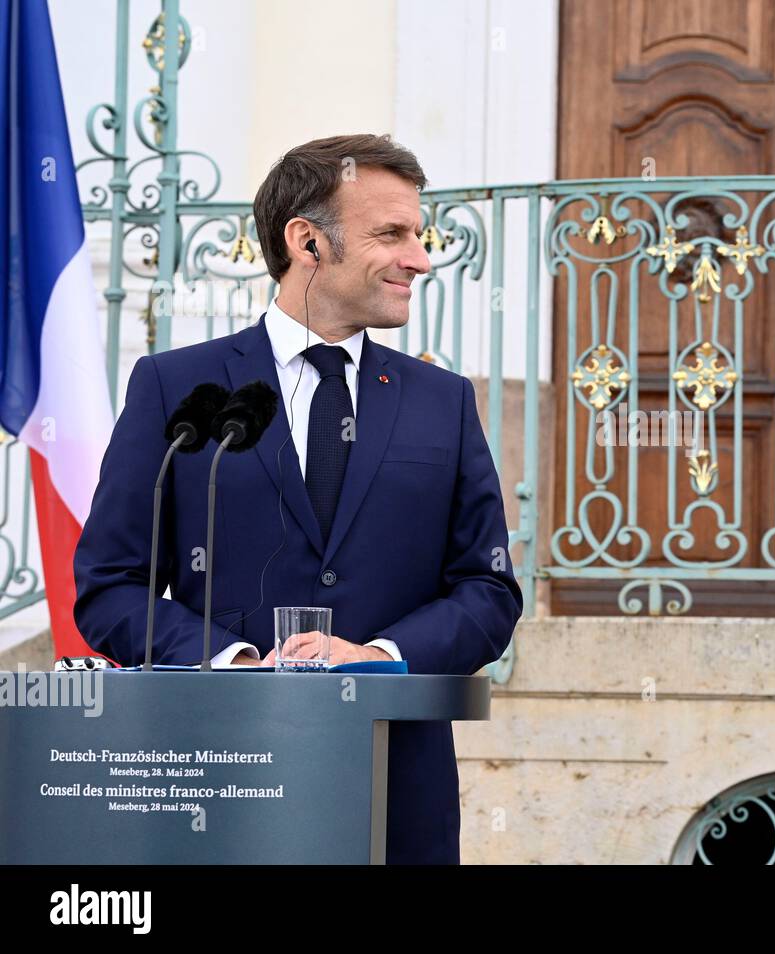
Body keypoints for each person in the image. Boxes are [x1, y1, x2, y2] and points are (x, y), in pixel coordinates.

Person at [73, 133, 523, 864]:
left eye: (420, 233)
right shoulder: (173, 385)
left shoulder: (443, 402)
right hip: (217, 787)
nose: (420, 258)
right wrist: (237, 664)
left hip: (395, 797)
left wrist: (375, 655)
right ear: (307, 241)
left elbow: (489, 589)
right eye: (393, 234)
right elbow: (110, 588)